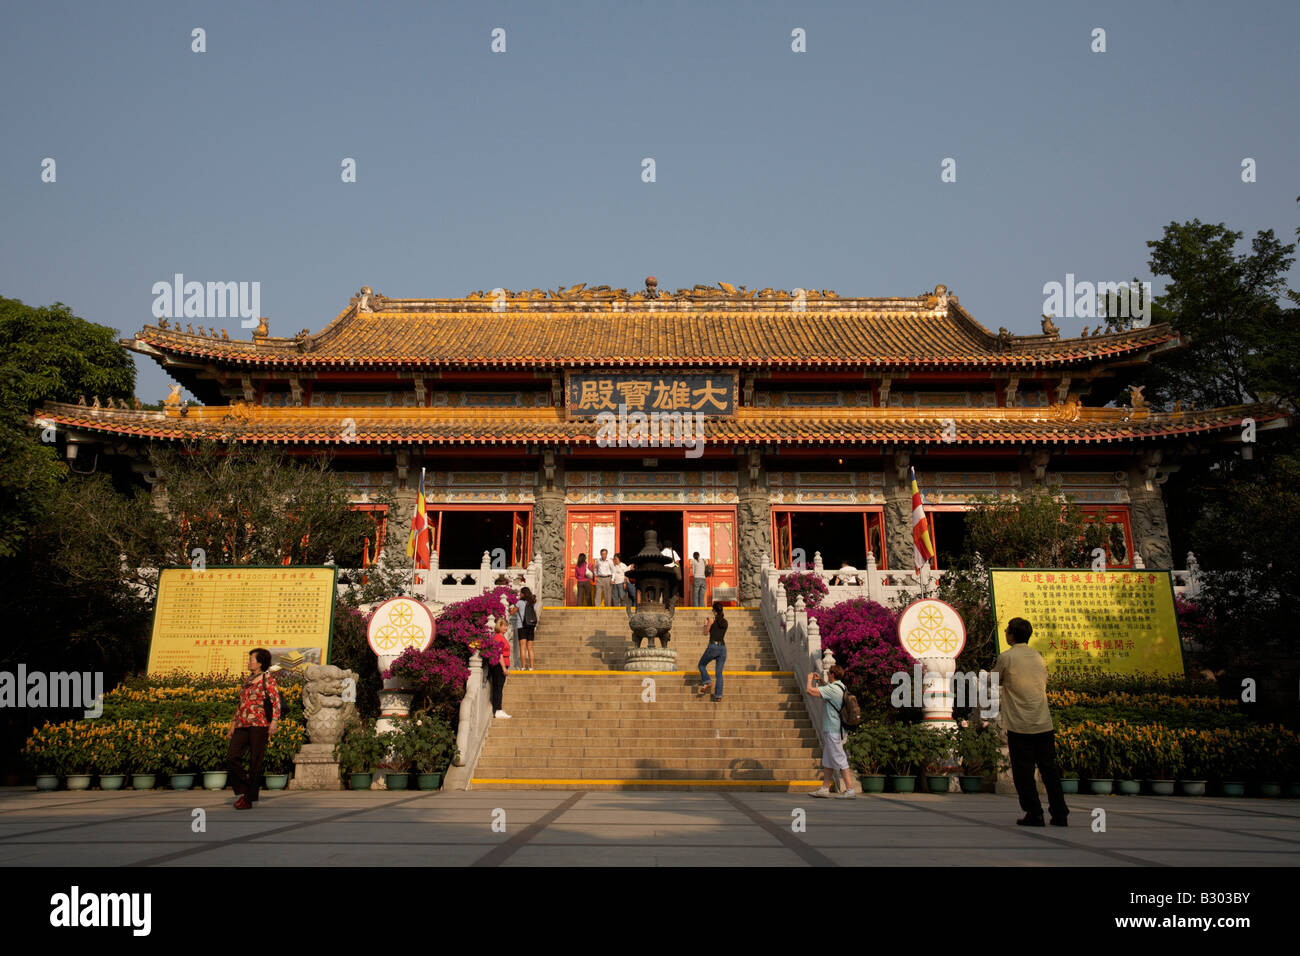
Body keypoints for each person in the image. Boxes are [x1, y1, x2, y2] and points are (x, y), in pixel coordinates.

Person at [993, 617, 1068, 827]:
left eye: (1007, 630)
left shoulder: (1006, 657)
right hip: (1044, 722)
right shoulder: (1037, 656)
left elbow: (993, 679)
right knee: (1049, 771)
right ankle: (1060, 813)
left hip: (1020, 724)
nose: (1006, 633)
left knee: (1024, 773)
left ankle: (1035, 813)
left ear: (1011, 635)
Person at [226, 648, 280, 810]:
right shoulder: (248, 680)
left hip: (260, 724)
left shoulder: (268, 679)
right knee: (231, 756)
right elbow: (241, 704)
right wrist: (233, 725)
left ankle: (248, 798)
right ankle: (248, 786)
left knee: (255, 761)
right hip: (242, 724)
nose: (249, 662)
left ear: (260, 663)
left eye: (252, 659)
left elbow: (275, 701)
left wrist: (274, 722)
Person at [806, 665, 855, 798]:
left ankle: (850, 789)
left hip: (833, 729)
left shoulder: (833, 689)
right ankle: (825, 788)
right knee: (828, 759)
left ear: (833, 675)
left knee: (840, 758)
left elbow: (810, 691)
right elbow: (828, 689)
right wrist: (821, 680)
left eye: (829, 674)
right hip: (838, 729)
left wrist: (809, 679)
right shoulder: (841, 686)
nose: (827, 676)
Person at [697, 601, 727, 702]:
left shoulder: (712, 620)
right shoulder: (725, 622)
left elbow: (705, 633)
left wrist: (705, 624)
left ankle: (707, 681)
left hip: (713, 646)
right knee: (719, 673)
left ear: (714, 611)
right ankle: (718, 696)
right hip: (722, 648)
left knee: (701, 665)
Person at [489, 616, 512, 719]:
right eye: (504, 626)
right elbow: (499, 654)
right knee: (498, 688)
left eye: (506, 626)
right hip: (499, 666)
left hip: (504, 663)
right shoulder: (498, 637)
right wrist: (503, 668)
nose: (506, 628)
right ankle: (498, 710)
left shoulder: (501, 637)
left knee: (499, 687)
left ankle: (499, 709)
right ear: (499, 626)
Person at [512, 586, 539, 670]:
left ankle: (523, 667)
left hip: (522, 626)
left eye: (520, 593)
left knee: (522, 647)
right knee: (530, 647)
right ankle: (531, 667)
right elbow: (535, 614)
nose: (520, 594)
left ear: (523, 594)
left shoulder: (519, 602)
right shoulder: (532, 602)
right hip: (530, 626)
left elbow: (512, 612)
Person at [661, 539, 682, 609]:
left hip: (664, 572)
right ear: (670, 546)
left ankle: (666, 604)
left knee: (665, 588)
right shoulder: (673, 552)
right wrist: (675, 567)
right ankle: (672, 600)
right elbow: (677, 563)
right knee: (675, 585)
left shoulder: (661, 553)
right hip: (672, 572)